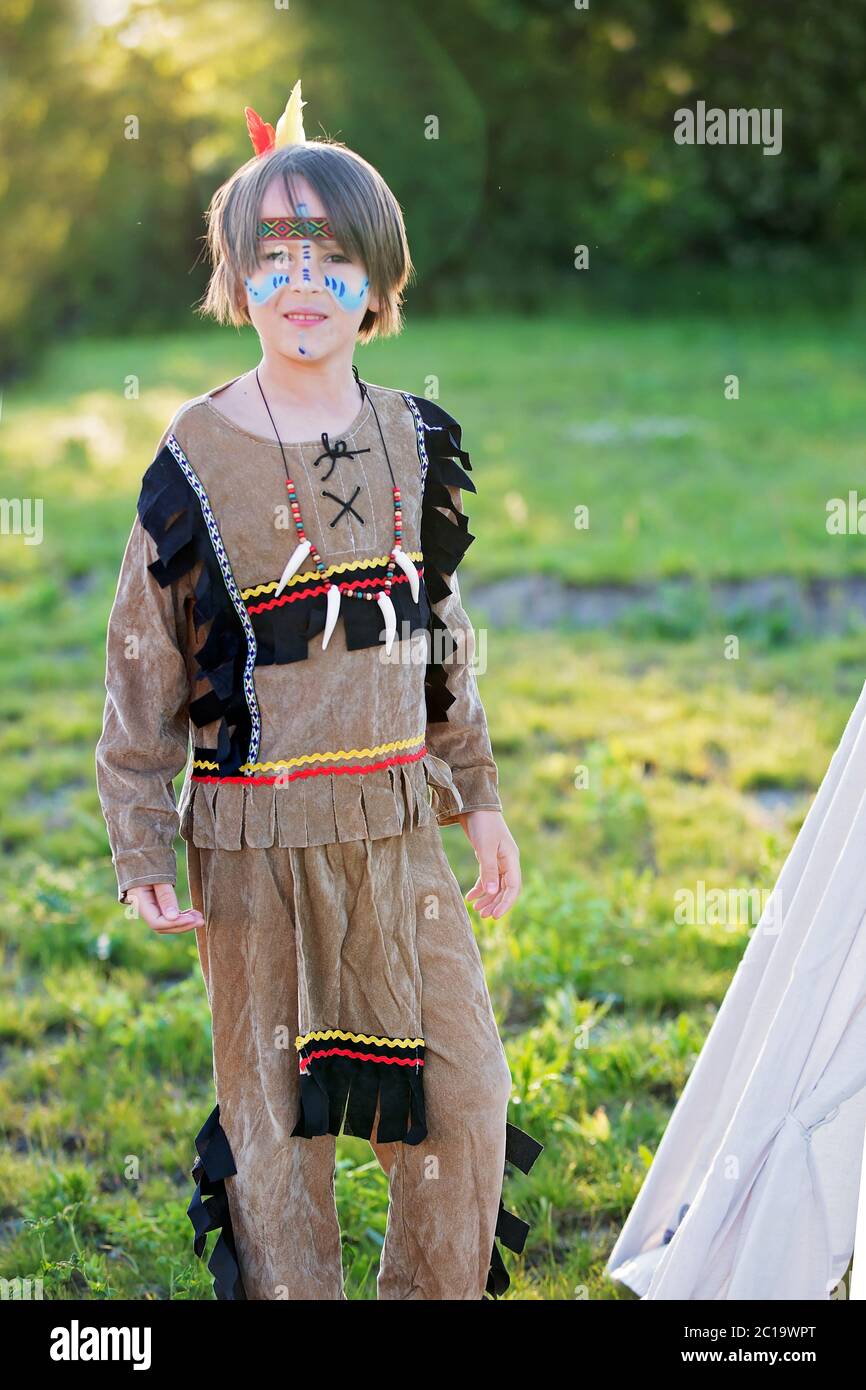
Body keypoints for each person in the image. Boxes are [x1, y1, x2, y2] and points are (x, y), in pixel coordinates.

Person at [95, 80, 542, 1301]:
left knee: (462, 1096)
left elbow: (433, 628)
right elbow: (144, 658)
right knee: (273, 1121)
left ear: (377, 286)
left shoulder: (409, 436)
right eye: (275, 255)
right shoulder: (196, 454)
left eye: (332, 256)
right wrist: (140, 832)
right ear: (238, 280)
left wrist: (477, 794)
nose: (303, 280)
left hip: (398, 828)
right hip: (253, 841)